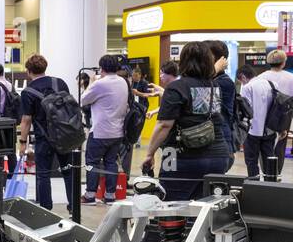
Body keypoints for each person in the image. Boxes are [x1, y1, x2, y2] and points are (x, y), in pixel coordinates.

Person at [142, 41, 232, 201]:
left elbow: (164, 125)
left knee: (171, 207)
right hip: (218, 155)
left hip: (178, 157)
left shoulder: (176, 87)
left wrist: (149, 154)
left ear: (182, 61)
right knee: (205, 210)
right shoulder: (214, 86)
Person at [18, 54, 75, 210]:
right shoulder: (60, 83)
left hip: (44, 138)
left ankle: (46, 209)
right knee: (68, 171)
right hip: (65, 135)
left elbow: (26, 120)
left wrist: (22, 143)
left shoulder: (28, 92)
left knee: (43, 174)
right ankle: (73, 206)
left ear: (28, 71)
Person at [240, 49, 293, 182]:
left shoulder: (261, 77)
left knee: (254, 156)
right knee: (276, 151)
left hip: (256, 124)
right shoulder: (292, 78)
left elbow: (246, 106)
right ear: (284, 62)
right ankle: (274, 176)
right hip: (280, 120)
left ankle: (257, 179)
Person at [79, 54, 130, 204]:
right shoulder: (123, 82)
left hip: (100, 131)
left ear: (102, 68)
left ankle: (90, 195)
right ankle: (110, 196)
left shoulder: (100, 83)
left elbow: (83, 100)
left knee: (92, 162)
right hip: (118, 131)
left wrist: (92, 81)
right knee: (111, 162)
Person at [208, 41, 237, 154]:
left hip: (220, 143)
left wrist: (214, 69)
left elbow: (201, 92)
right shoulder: (214, 80)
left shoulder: (224, 82)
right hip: (211, 140)